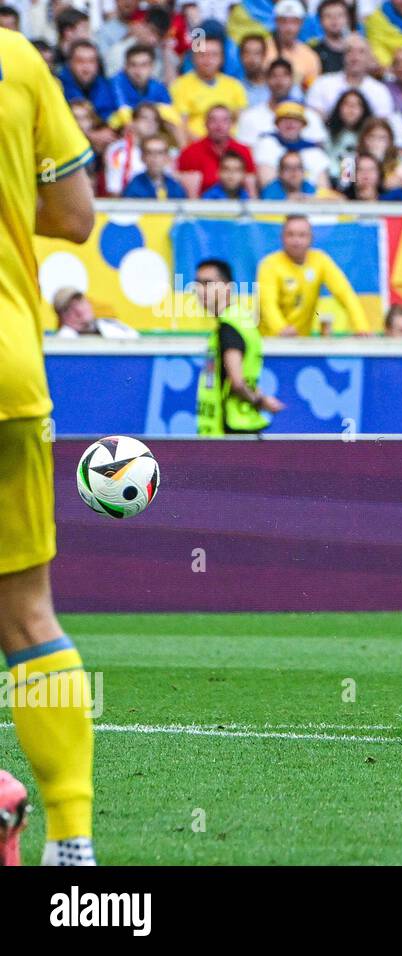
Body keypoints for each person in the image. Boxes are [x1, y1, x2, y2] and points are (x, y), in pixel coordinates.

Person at [0, 27, 98, 868]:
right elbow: (75, 217)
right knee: (28, 616)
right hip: (10, 367)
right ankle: (72, 849)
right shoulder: (19, 59)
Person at [195, 258, 285, 436]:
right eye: (197, 284)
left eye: (208, 283)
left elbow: (237, 382)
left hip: (231, 430)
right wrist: (263, 399)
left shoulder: (229, 327)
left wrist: (259, 401)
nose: (200, 290)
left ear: (228, 288)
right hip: (241, 425)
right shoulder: (241, 321)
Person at [257, 216, 370, 336]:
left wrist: (361, 327)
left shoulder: (320, 260)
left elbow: (345, 294)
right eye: (290, 234)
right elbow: (267, 304)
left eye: (302, 235)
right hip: (269, 341)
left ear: (311, 238)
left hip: (303, 342)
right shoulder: (268, 264)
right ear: (282, 238)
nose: (296, 240)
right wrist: (281, 329)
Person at [170, 35, 248, 138]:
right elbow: (180, 125)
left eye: (214, 55)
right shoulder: (180, 86)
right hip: (195, 145)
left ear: (222, 58)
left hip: (230, 146)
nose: (208, 60)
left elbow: (242, 121)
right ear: (193, 57)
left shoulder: (234, 85)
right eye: (202, 55)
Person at [176, 105, 256, 197]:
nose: (219, 125)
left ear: (232, 124)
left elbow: (251, 188)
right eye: (213, 120)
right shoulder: (190, 153)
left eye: (224, 120)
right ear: (205, 124)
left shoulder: (243, 151)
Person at [51, 288, 137, 338]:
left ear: (89, 303)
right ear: (61, 319)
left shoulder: (113, 326)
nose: (79, 311)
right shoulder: (60, 346)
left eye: (80, 302)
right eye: (69, 309)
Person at [122, 134, 186, 198]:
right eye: (149, 152)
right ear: (142, 157)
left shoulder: (175, 186)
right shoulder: (135, 186)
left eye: (160, 152)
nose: (155, 157)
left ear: (167, 157)